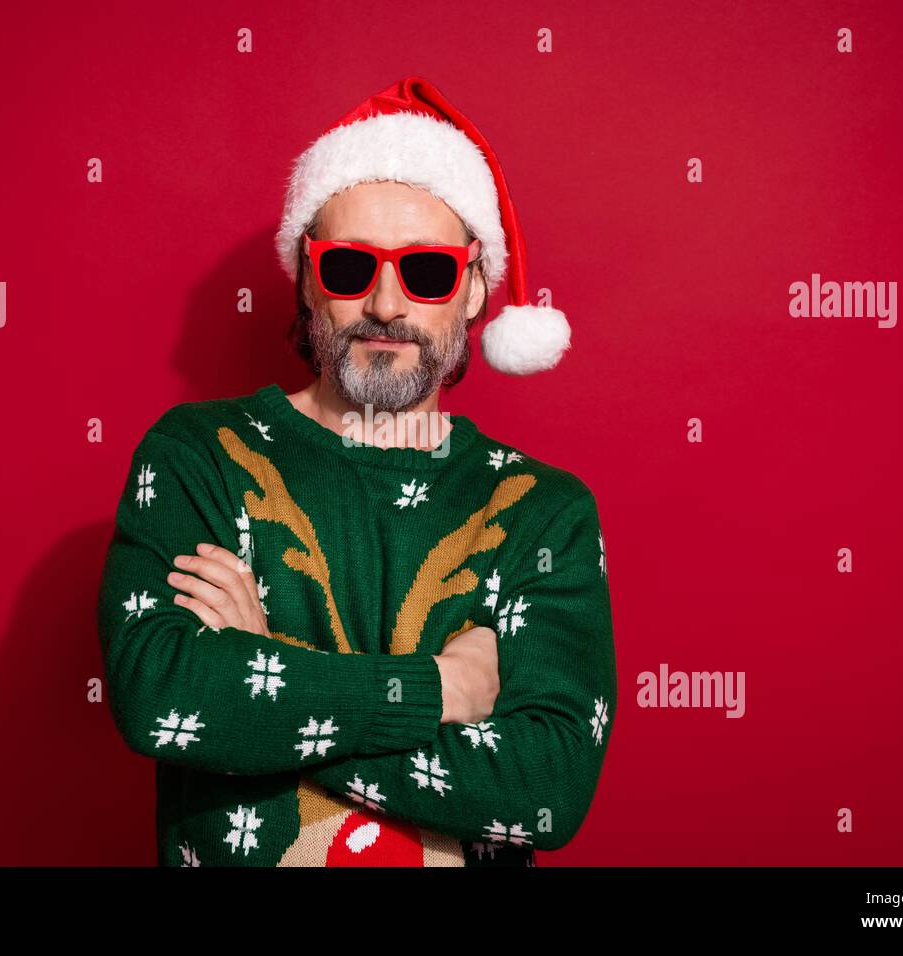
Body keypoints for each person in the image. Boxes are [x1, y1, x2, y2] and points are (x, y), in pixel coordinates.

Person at [96, 76, 616, 866]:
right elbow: (163, 694)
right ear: (306, 280)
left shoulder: (541, 511)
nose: (384, 303)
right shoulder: (200, 456)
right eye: (348, 267)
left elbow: (547, 784)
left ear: (476, 287)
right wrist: (438, 690)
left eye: (428, 272)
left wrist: (270, 677)